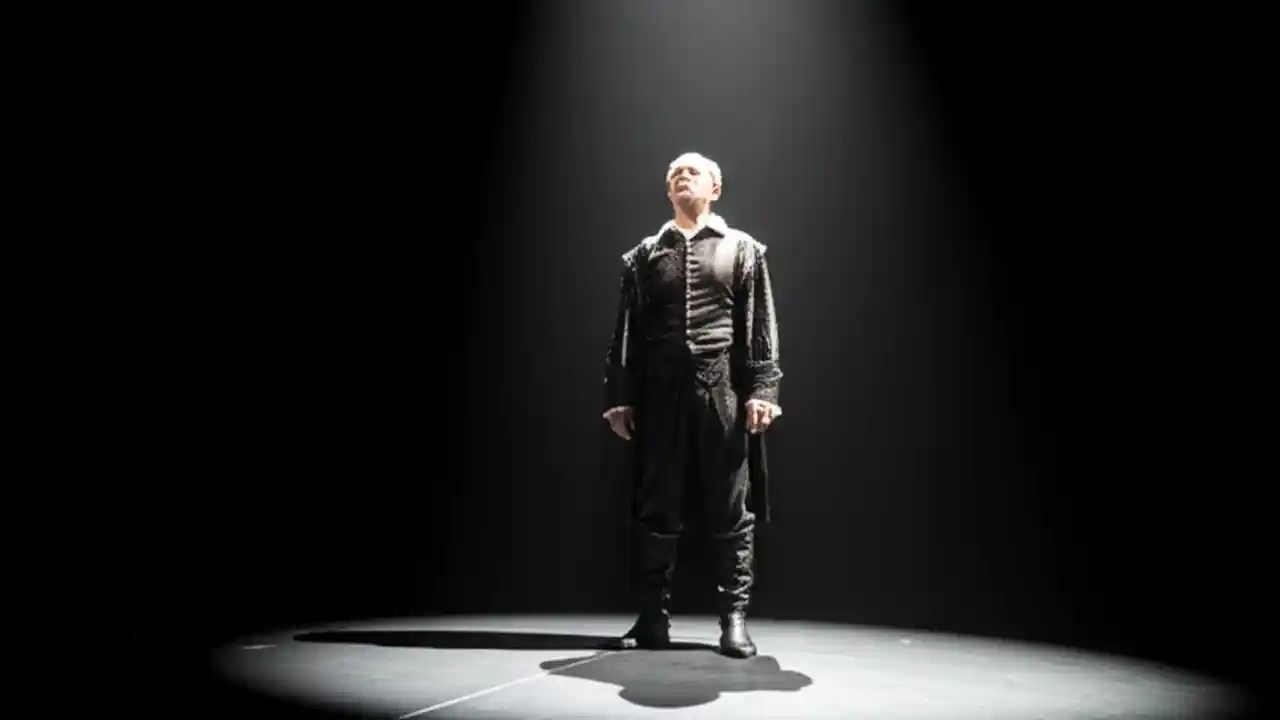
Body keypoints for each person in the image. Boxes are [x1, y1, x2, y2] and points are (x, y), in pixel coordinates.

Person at [602, 151, 783, 659]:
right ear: (668, 191)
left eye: (693, 172)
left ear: (715, 188)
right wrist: (620, 398)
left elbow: (760, 325)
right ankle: (653, 617)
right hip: (660, 393)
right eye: (675, 174)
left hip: (720, 389)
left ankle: (734, 619)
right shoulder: (643, 255)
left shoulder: (742, 249)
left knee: (731, 503)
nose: (683, 177)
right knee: (656, 503)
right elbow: (627, 332)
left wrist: (763, 392)